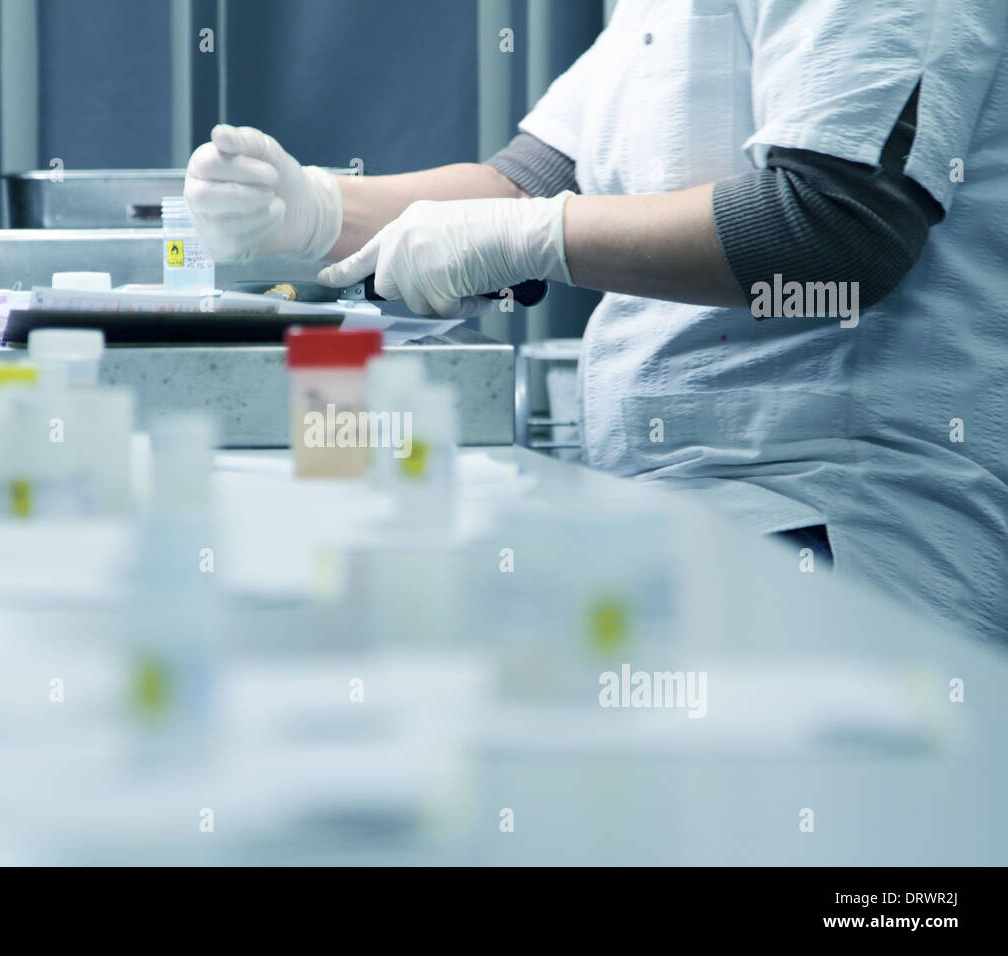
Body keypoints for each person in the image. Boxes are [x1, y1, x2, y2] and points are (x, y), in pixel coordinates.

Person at [184, 0, 1008, 642]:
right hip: (691, 510)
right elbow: (524, 187)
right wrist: (313, 207)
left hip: (832, 522)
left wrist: (537, 239)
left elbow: (836, 227)